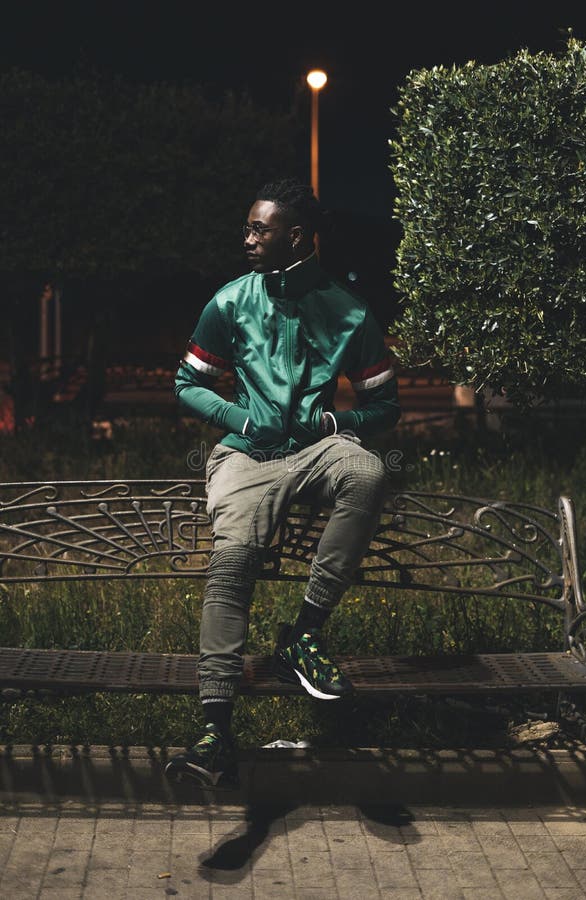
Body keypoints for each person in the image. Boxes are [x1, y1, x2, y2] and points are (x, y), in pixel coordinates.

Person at [165, 177, 401, 788]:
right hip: (245, 456)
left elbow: (384, 407)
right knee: (233, 559)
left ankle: (303, 634)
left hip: (316, 451)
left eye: (258, 229)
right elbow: (187, 382)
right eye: (248, 227)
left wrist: (335, 421)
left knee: (368, 471)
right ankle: (216, 729)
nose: (246, 238)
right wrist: (239, 416)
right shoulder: (230, 301)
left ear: (295, 237)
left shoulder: (349, 312)